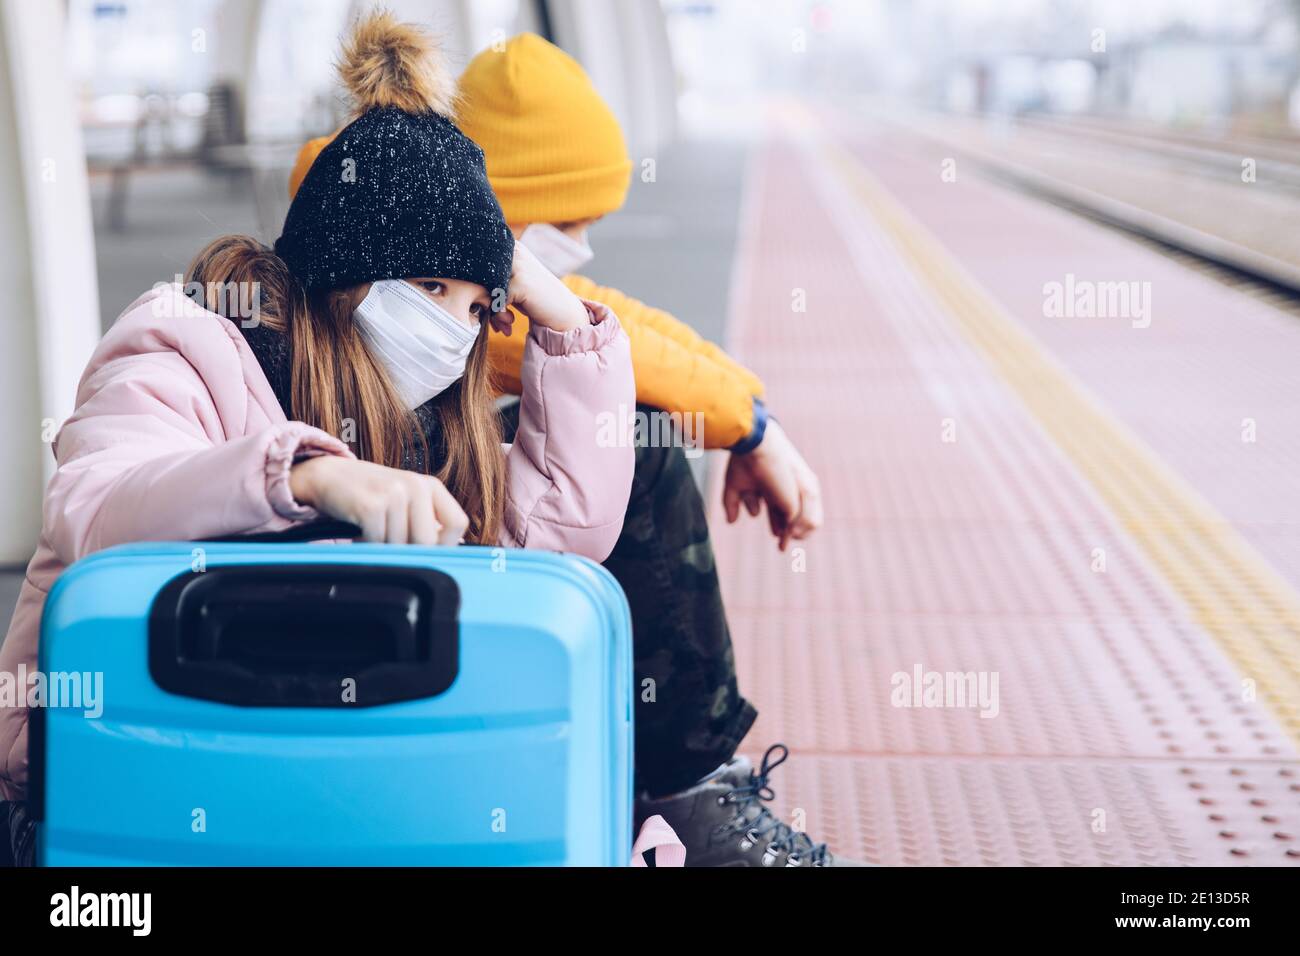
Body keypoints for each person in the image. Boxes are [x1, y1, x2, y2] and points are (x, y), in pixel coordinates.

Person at [0, 12, 634, 865]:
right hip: (103, 768)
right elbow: (98, 506)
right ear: (343, 271)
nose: (452, 332)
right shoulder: (185, 348)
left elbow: (557, 542)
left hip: (302, 766)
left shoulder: (430, 416)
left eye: (478, 309)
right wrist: (299, 478)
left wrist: (561, 319)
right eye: (431, 286)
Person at [291, 32, 857, 866]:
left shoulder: (419, 245)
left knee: (611, 440)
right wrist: (749, 426)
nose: (580, 245)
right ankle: (688, 792)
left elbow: (608, 314)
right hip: (361, 540)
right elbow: (639, 361)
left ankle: (665, 779)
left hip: (391, 510)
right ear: (496, 201)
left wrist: (751, 407)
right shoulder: (413, 268)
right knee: (637, 447)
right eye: (568, 224)